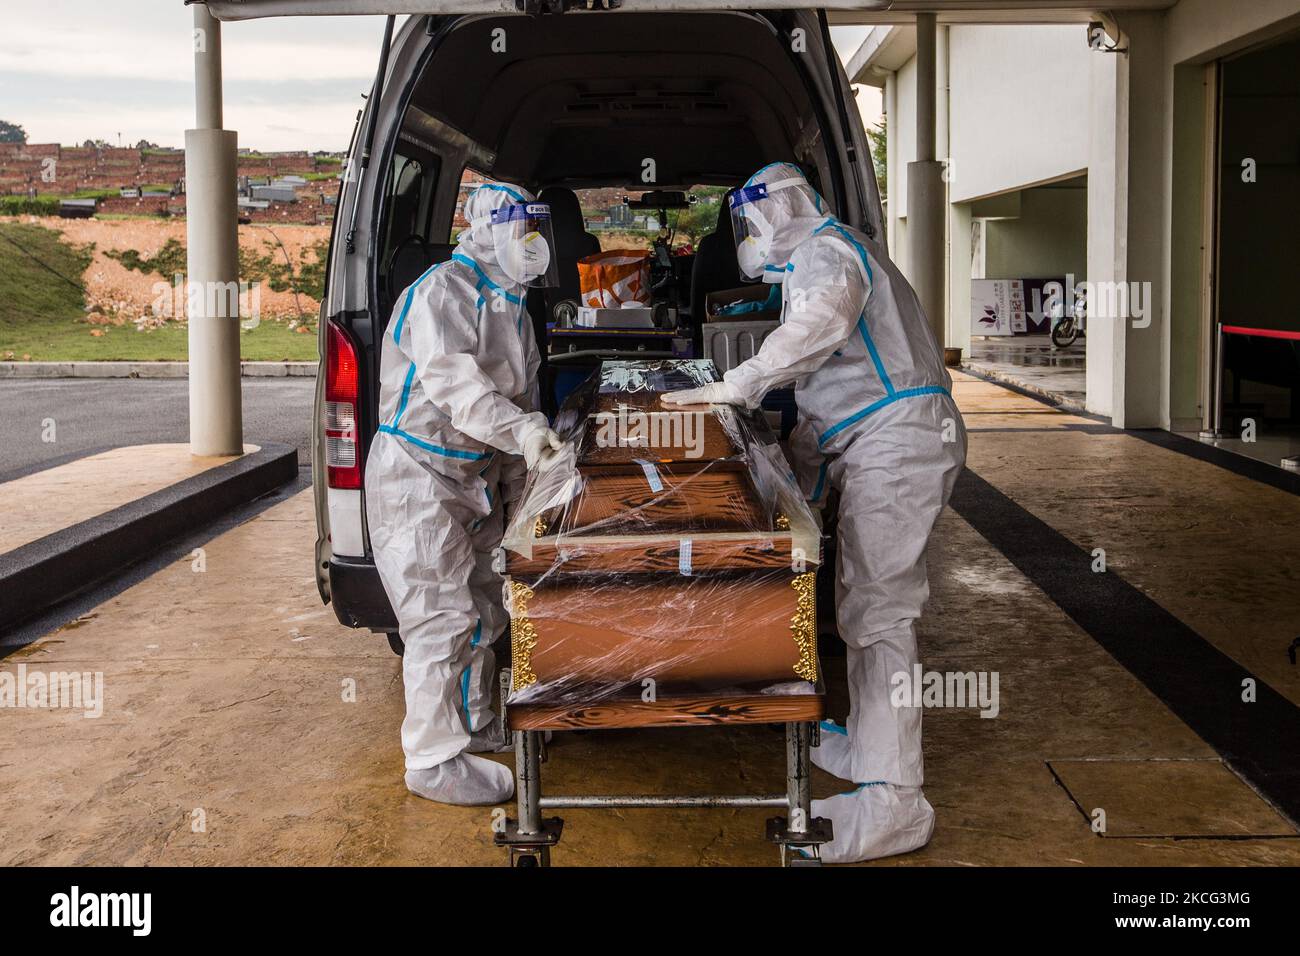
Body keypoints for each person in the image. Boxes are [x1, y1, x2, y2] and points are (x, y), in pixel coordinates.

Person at [662, 162, 966, 863]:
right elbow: (825, 409)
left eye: (749, 221)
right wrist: (779, 485)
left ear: (777, 211)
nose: (748, 238)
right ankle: (867, 743)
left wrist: (734, 388)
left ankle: (897, 801)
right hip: (879, 440)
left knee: (880, 610)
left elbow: (818, 331)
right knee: (863, 609)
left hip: (901, 445)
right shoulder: (815, 260)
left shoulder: (828, 252)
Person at [365, 181, 563, 805]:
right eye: (520, 228)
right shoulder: (440, 292)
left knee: (482, 607)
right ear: (485, 229)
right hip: (417, 476)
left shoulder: (514, 307)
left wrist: (524, 488)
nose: (532, 243)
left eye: (537, 229)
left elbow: (523, 404)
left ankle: (475, 725)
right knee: (439, 617)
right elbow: (460, 391)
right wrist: (524, 431)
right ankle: (430, 757)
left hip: (472, 477)